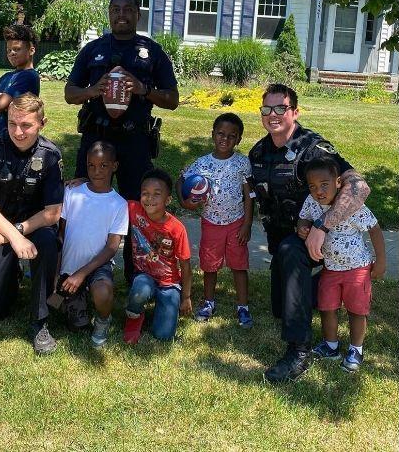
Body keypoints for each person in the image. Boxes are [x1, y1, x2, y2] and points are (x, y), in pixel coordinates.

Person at [249, 83, 371, 383]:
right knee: (281, 308)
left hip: (319, 240)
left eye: (281, 108)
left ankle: (299, 351)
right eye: (267, 109)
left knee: (292, 254)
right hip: (283, 241)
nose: (273, 114)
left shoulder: (313, 148)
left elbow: (359, 186)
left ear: (295, 112)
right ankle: (325, 290)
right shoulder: (258, 152)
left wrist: (322, 225)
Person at [64, 0, 179, 284]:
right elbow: (69, 93)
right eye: (115, 9)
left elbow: (172, 98)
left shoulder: (152, 52)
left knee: (136, 209)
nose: (121, 14)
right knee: (85, 204)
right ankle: (76, 273)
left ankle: (135, 275)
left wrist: (144, 89)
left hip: (134, 142)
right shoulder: (93, 50)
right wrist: (93, 90)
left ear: (138, 15)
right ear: (109, 14)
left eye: (128, 9)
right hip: (97, 141)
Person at [0, 94, 64, 355]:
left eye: (26, 126)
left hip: (34, 226)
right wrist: (9, 235)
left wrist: (18, 233)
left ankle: (40, 321)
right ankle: (12, 274)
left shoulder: (51, 155)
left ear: (42, 123)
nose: (18, 132)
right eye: (12, 124)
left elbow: (53, 213)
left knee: (46, 243)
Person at [297, 157, 386, 373]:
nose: (319, 191)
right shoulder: (311, 202)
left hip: (357, 269)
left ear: (338, 182)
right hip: (331, 269)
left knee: (357, 311)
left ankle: (356, 349)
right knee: (327, 308)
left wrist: (381, 262)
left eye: (324, 185)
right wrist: (303, 227)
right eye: (313, 186)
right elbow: (303, 217)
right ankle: (331, 345)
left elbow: (374, 229)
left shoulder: (352, 206)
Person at [176, 112, 254, 328]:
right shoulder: (202, 164)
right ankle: (208, 302)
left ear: (238, 139)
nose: (225, 139)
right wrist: (184, 202)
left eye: (232, 136)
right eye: (221, 133)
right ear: (213, 135)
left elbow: (249, 195)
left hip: (237, 221)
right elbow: (180, 180)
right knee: (210, 265)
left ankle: (242, 307)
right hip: (211, 222)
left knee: (239, 265)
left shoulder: (242, 163)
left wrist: (247, 223)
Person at [57, 141, 128, 347]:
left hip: (97, 265)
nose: (97, 171)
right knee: (72, 321)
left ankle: (104, 320)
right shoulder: (73, 193)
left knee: (103, 292)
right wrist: (57, 272)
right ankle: (75, 300)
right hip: (68, 267)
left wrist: (82, 274)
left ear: (114, 166)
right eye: (91, 165)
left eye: (104, 166)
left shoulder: (119, 204)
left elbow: (112, 247)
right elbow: (60, 235)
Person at [122, 169, 193, 344]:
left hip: (169, 282)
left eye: (156, 194)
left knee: (163, 336)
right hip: (144, 275)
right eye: (145, 193)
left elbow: (185, 265)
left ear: (168, 200)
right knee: (140, 291)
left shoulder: (177, 229)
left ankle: (166, 306)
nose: (149, 199)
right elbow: (107, 200)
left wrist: (186, 297)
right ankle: (134, 316)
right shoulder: (133, 209)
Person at [0, 24, 41, 139]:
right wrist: (0, 98)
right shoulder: (7, 76)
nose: (11, 53)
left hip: (15, 139)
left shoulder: (29, 76)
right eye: (9, 50)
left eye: (17, 49)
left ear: (31, 50)